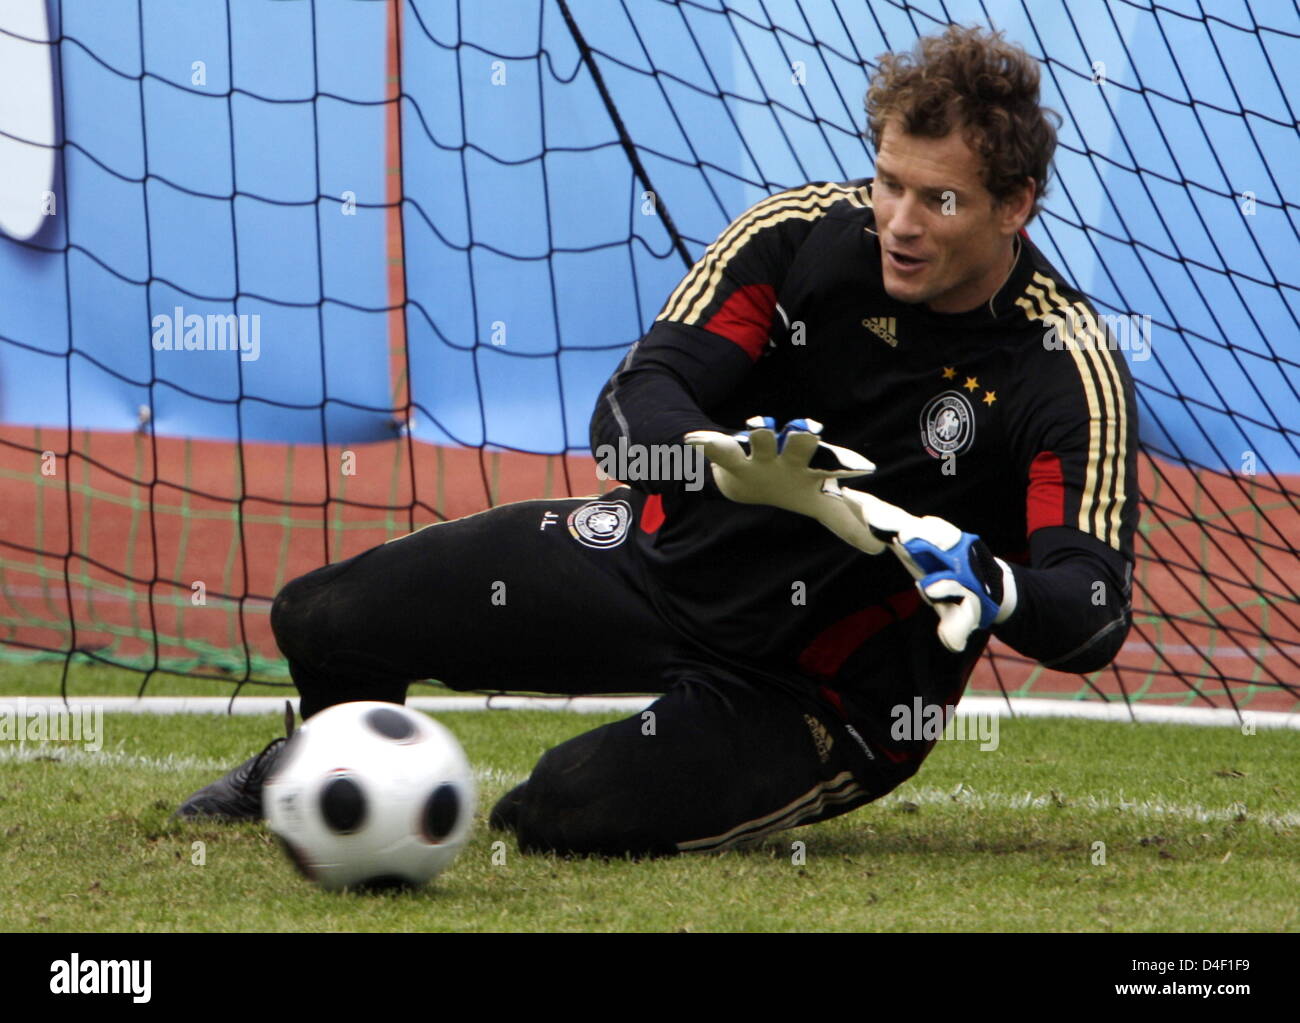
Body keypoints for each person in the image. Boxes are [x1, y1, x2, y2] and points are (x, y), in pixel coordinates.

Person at [178, 23, 1137, 857]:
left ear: (1016, 204)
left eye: (940, 200)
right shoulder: (799, 236)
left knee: (558, 811)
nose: (899, 222)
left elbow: (1089, 608)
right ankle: (319, 767)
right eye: (888, 182)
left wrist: (990, 580)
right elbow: (637, 401)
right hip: (653, 569)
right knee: (321, 615)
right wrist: (722, 464)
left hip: (815, 694)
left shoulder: (1063, 362)